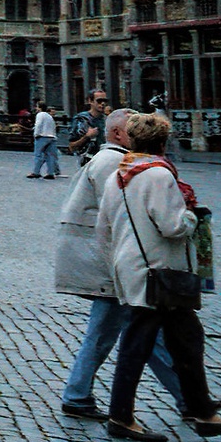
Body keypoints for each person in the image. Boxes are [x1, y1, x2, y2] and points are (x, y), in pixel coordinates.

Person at [95, 113, 221, 442]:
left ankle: (202, 410)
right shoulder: (158, 175)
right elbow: (172, 226)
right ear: (161, 143)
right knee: (138, 344)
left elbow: (103, 229)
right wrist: (192, 215)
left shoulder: (120, 174)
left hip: (137, 269)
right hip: (160, 273)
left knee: (186, 339)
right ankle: (121, 416)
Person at [56, 109, 194, 425]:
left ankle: (188, 398)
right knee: (111, 332)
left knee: (146, 331)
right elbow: (124, 215)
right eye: (133, 129)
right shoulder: (112, 163)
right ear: (119, 134)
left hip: (112, 260)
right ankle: (77, 396)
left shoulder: (116, 160)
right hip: (108, 263)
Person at [29, 101, 61, 180]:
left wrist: (36, 134)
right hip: (51, 136)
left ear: (39, 107)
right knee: (50, 155)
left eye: (37, 107)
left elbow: (38, 124)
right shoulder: (49, 116)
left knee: (38, 154)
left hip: (42, 136)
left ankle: (36, 172)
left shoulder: (40, 115)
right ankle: (50, 173)